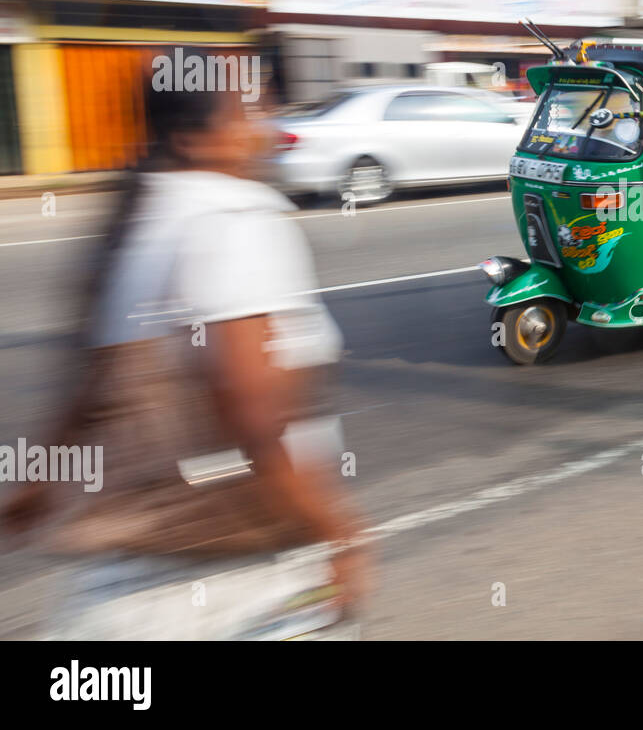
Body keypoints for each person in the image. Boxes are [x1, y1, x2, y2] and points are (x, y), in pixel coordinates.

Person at [2, 47, 369, 639]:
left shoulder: (138, 224)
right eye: (251, 113)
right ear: (198, 140)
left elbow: (88, 399)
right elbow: (249, 411)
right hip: (241, 581)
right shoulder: (234, 221)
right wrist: (340, 532)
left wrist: (36, 488)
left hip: (118, 591)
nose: (267, 129)